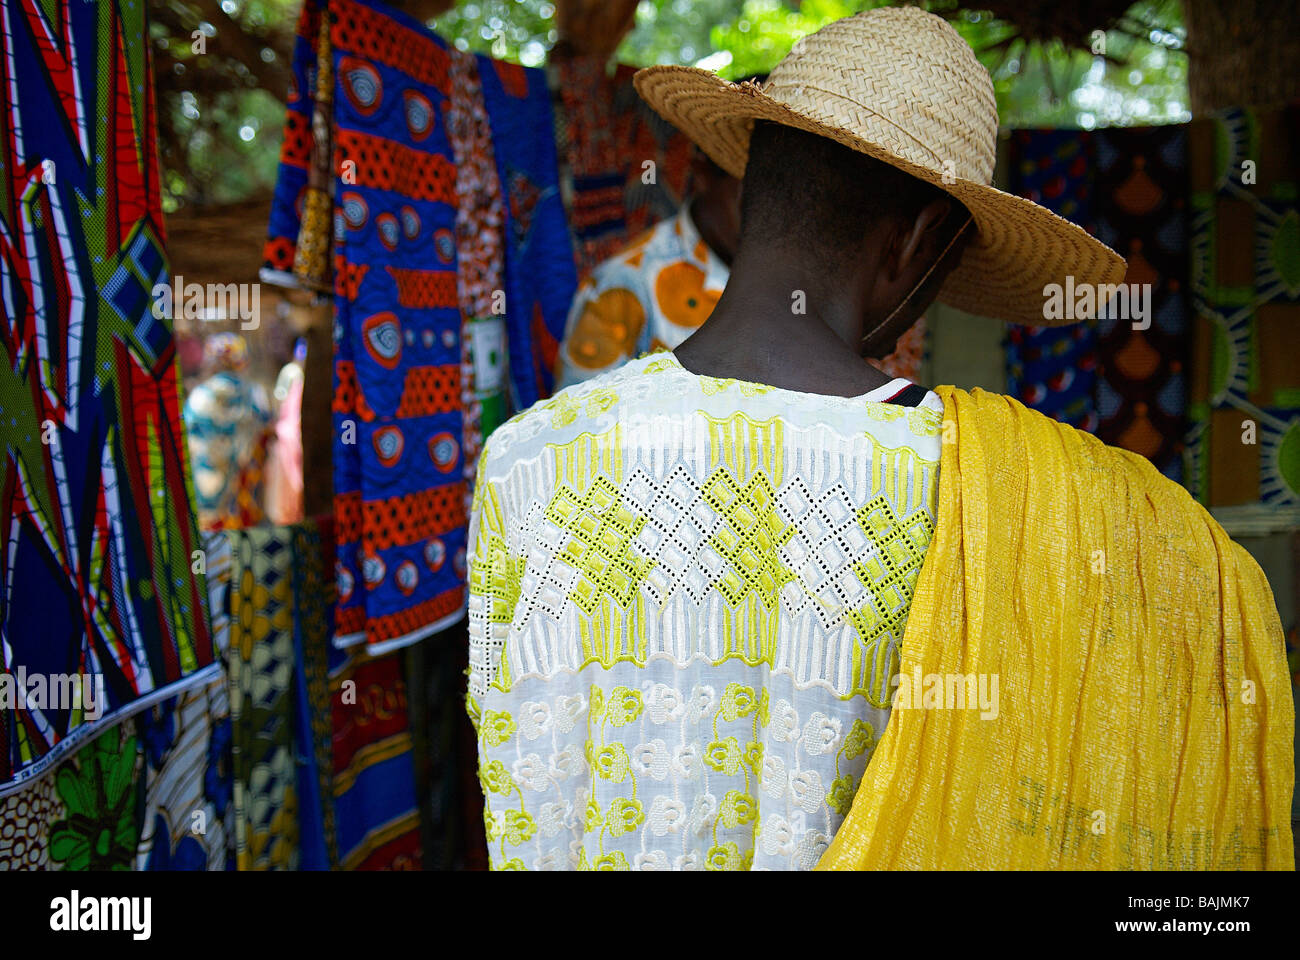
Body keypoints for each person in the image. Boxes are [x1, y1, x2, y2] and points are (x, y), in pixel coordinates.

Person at [466, 7, 1293, 871]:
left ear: (752, 189)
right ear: (914, 245)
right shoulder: (981, 496)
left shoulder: (529, 461)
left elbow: (503, 735)